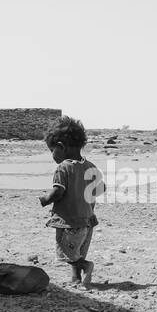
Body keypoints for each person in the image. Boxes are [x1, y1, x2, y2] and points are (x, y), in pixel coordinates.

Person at [38, 115, 104, 287]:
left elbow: (58, 192)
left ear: (60, 147)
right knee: (77, 251)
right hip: (87, 219)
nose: (52, 155)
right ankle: (76, 279)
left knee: (67, 252)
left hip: (69, 220)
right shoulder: (90, 166)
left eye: (51, 150)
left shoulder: (63, 168)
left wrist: (45, 199)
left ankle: (86, 266)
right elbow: (101, 189)